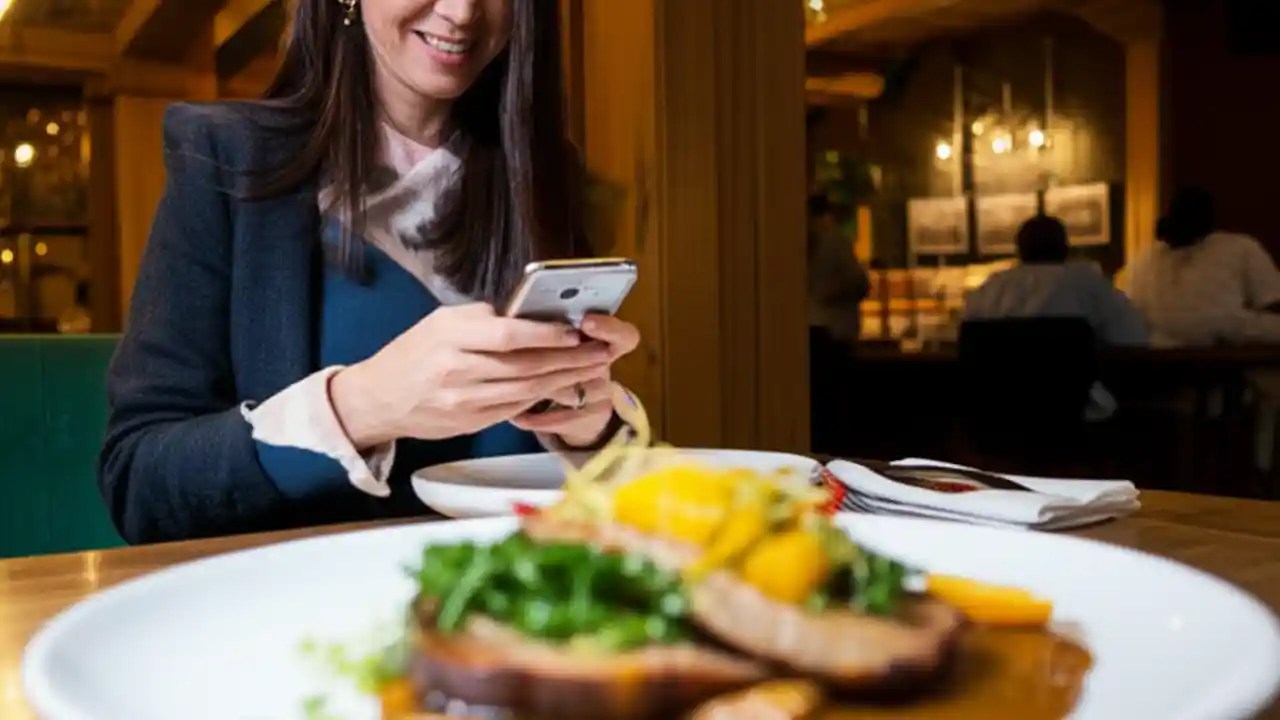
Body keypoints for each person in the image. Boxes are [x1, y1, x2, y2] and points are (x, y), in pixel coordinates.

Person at [99, 0, 640, 544]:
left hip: (512, 601)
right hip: (303, 606)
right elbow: (140, 485)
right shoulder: (229, 162)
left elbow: (612, 493)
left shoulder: (547, 178)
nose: (461, 12)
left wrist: (592, 429)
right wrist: (364, 405)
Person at [964, 214, 1148, 347]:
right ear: (1065, 248)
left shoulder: (989, 291)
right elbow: (1133, 339)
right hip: (1077, 398)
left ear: (1019, 251)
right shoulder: (1091, 285)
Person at [1126, 188, 1280, 346]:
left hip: (1153, 356)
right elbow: (1272, 301)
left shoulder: (1142, 258)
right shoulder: (1240, 247)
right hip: (1216, 352)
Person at [807, 194, 868, 453]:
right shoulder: (834, 241)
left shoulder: (788, 240)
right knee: (834, 420)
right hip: (832, 340)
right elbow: (860, 284)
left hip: (814, 335)